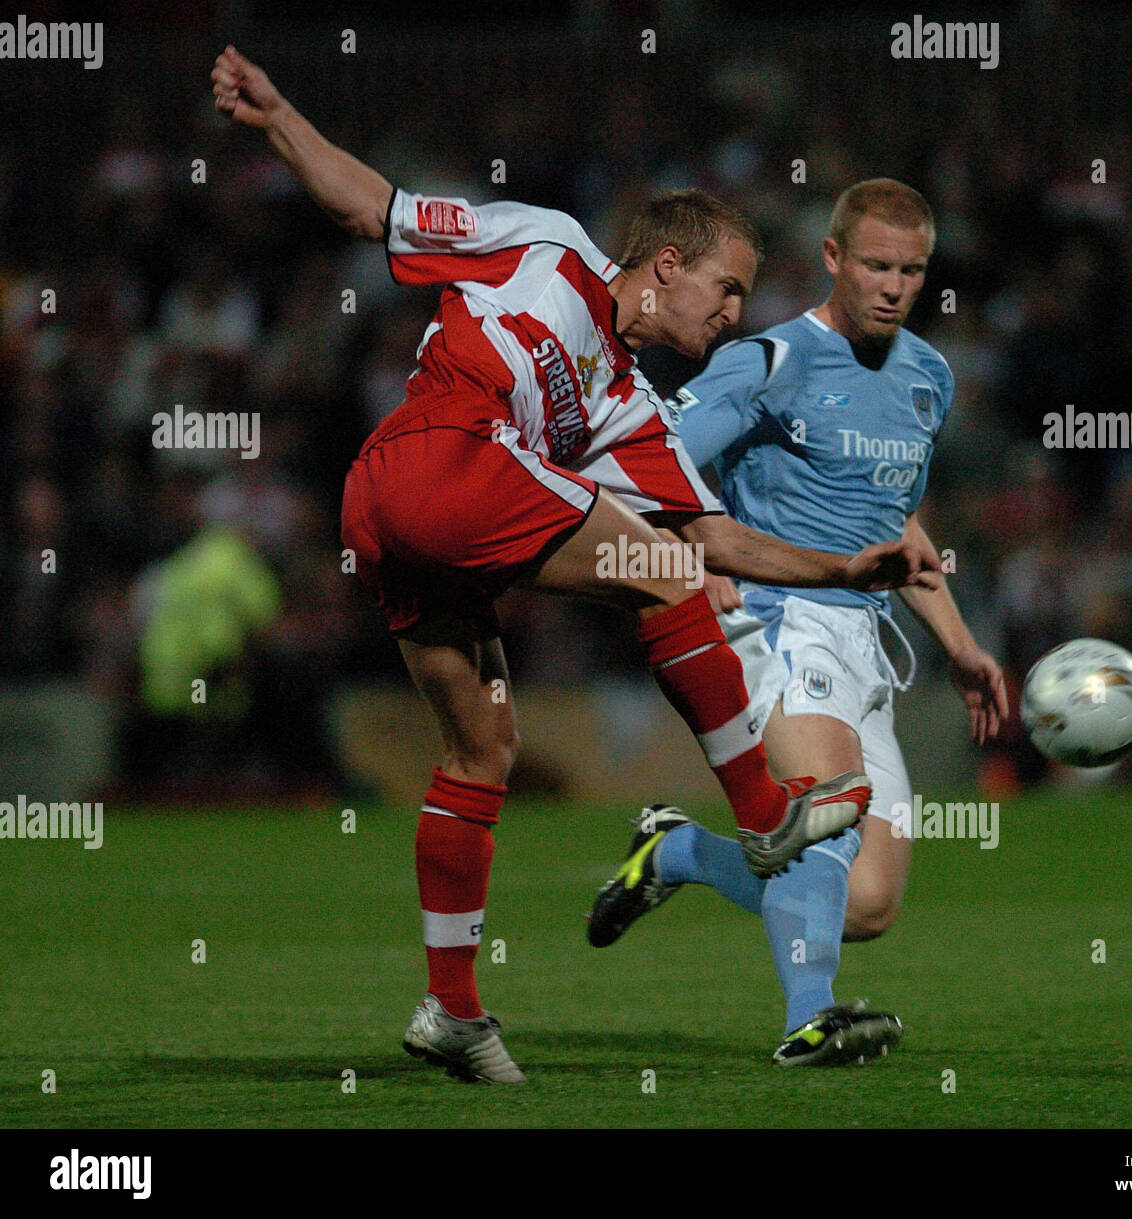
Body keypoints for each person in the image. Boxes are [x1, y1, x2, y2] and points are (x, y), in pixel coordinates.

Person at [211, 50, 938, 1084]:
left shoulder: (631, 413)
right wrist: (280, 116)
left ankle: (451, 1010)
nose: (733, 314)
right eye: (727, 290)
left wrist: (842, 568)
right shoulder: (546, 244)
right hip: (430, 457)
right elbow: (375, 208)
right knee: (664, 576)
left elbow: (715, 537)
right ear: (668, 265)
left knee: (482, 748)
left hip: (408, 515)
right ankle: (767, 821)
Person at [586, 179, 1008, 1066]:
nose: (893, 285)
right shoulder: (768, 363)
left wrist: (962, 645)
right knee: (827, 809)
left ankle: (681, 854)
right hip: (777, 618)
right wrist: (691, 561)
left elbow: (890, 525)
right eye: (877, 265)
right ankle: (807, 1023)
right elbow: (646, 464)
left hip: (864, 635)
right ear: (833, 258)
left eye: (913, 270)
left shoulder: (929, 376)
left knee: (868, 904)